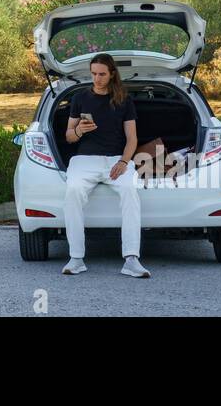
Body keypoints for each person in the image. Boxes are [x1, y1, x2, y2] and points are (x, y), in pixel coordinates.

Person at [61, 54, 150, 278]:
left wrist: (123, 162)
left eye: (102, 74)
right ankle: (76, 258)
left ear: (111, 74)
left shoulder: (123, 100)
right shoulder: (80, 98)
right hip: (84, 160)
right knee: (72, 191)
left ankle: (131, 259)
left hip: (116, 160)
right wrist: (80, 130)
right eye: (93, 74)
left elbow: (132, 138)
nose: (97, 78)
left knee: (130, 191)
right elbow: (69, 137)